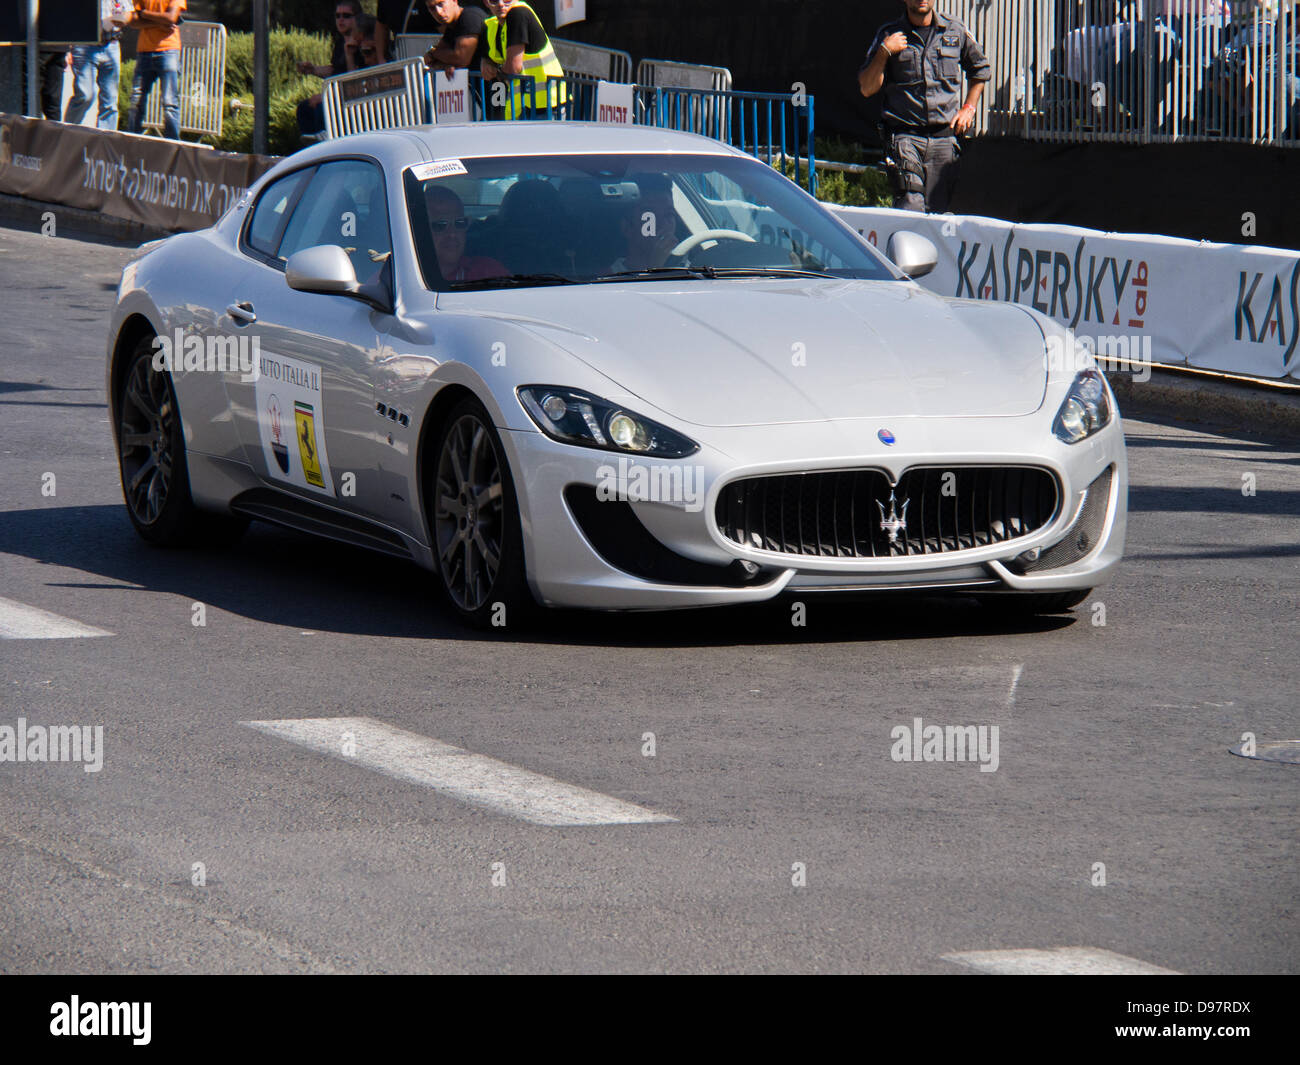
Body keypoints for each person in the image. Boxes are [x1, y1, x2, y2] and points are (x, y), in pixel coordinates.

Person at [858, 0, 990, 212]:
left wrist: (969, 108)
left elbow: (980, 71)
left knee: (940, 215)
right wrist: (884, 52)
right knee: (911, 205)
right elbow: (866, 88)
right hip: (905, 138)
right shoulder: (890, 34)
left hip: (944, 139)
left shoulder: (954, 29)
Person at [480, 0, 567, 119]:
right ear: (486, 2)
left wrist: (496, 71)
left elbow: (513, 68)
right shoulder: (493, 25)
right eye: (494, 0)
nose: (501, 4)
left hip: (547, 106)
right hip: (526, 106)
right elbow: (492, 56)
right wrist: (486, 62)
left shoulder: (518, 13)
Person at [296, 1, 364, 138]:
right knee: (304, 108)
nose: (341, 20)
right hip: (339, 94)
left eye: (346, 15)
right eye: (337, 16)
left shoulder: (361, 43)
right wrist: (313, 70)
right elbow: (335, 70)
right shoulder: (340, 42)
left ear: (357, 18)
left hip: (354, 95)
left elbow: (354, 80)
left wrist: (327, 97)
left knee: (322, 107)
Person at [126, 0, 186, 141]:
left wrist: (144, 13)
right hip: (144, 51)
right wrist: (160, 22)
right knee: (136, 101)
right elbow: (133, 21)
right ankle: (132, 142)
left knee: (169, 102)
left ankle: (172, 145)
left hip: (168, 50)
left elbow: (171, 17)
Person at [65, 2, 128, 130]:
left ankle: (105, 142)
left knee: (110, 101)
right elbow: (69, 13)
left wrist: (123, 19)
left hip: (111, 44)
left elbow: (128, 12)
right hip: (84, 44)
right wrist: (67, 48)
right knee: (85, 95)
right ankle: (68, 133)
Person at [425, 186, 507, 283]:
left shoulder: (490, 272)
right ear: (420, 230)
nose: (452, 234)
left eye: (460, 223)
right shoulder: (404, 277)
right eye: (440, 225)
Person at [609, 180, 679, 273]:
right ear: (627, 227)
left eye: (668, 214)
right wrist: (654, 269)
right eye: (649, 216)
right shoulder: (606, 280)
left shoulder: (693, 270)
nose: (663, 224)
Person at [423, 1, 488, 76]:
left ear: (454, 1)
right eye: (432, 8)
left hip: (495, 83)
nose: (439, 12)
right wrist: (445, 65)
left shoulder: (470, 16)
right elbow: (429, 61)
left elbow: (460, 59)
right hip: (477, 84)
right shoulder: (451, 26)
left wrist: (433, 53)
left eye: (441, 4)